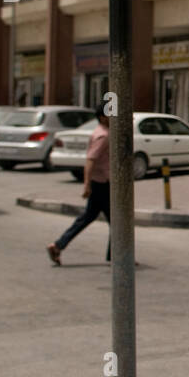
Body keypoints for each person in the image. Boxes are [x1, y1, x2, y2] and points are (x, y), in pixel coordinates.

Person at [47, 105, 111, 264]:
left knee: (88, 217)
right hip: (102, 184)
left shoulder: (100, 131)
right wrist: (87, 185)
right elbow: (90, 160)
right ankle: (120, 255)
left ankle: (58, 245)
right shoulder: (103, 136)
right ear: (103, 117)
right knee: (118, 221)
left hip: (100, 182)